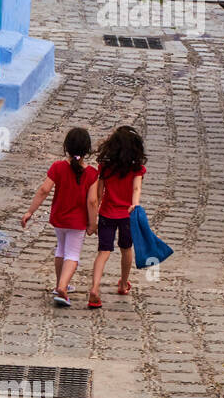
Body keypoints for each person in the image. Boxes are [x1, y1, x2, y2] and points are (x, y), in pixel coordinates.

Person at [21, 128, 98, 308]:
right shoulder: (92, 174)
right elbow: (93, 201)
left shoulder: (57, 167)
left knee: (61, 250)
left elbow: (44, 190)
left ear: (66, 147)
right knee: (72, 254)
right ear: (87, 149)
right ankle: (63, 287)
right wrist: (92, 224)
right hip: (77, 222)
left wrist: (29, 212)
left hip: (59, 219)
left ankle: (59, 284)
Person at [85, 125, 147, 310]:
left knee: (103, 252)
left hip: (107, 214)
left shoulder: (105, 166)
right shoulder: (137, 168)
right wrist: (134, 204)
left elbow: (99, 194)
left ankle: (95, 288)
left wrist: (93, 220)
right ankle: (123, 283)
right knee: (126, 249)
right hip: (126, 215)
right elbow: (136, 188)